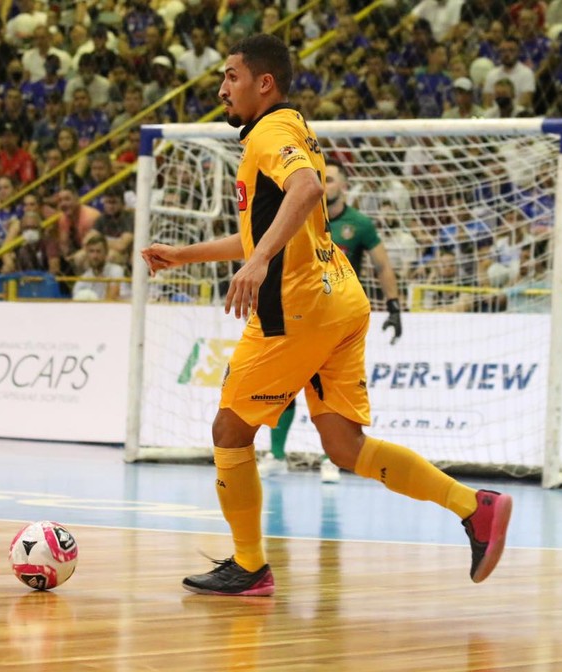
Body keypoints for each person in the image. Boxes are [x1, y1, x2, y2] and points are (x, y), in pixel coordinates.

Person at [140, 34, 512, 597]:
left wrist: (260, 262)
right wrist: (187, 255)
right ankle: (474, 507)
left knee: (229, 430)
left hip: (298, 311)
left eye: (231, 76)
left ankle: (249, 566)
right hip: (339, 298)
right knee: (344, 446)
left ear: (264, 82)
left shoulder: (269, 133)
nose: (221, 88)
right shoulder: (290, 129)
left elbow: (307, 190)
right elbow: (269, 228)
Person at [259, 158, 405, 483]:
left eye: (333, 179)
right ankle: (277, 455)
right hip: (299, 317)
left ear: (345, 186)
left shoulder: (360, 224)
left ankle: (330, 459)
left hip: (338, 319)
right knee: (285, 387)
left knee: (331, 395)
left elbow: (382, 266)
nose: (326, 184)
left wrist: (394, 306)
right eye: (322, 178)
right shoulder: (301, 218)